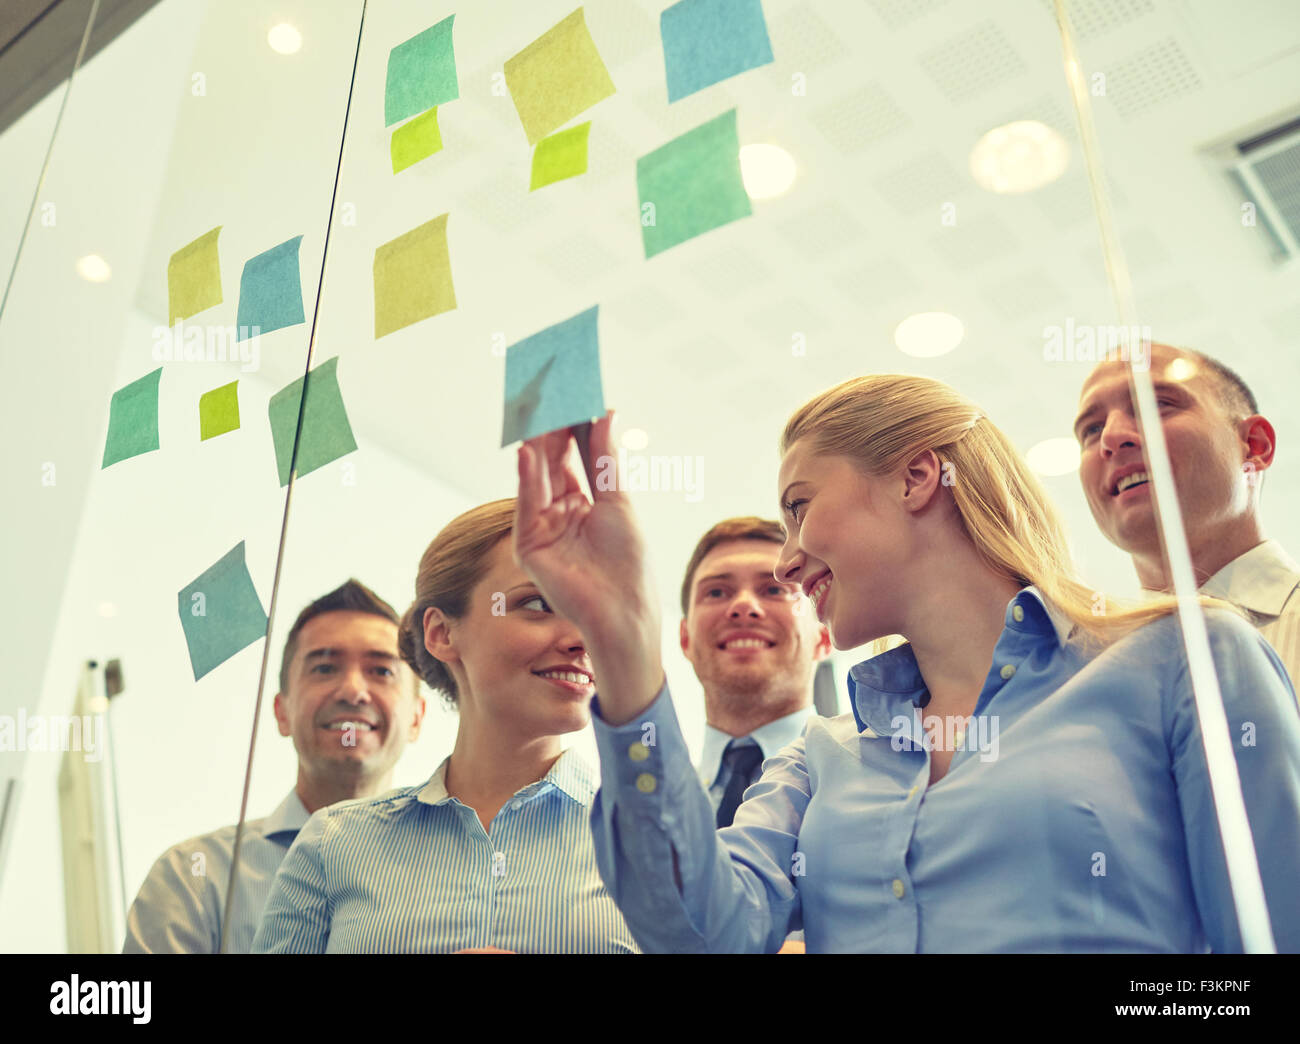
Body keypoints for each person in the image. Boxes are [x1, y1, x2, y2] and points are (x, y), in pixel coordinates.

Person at [512, 390, 1300, 953]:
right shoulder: (821, 756)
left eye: (799, 506)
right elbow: (698, 932)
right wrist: (619, 637)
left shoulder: (1188, 660)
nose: (788, 562)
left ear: (917, 478)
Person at [252, 499, 637, 953]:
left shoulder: (655, 842)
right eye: (538, 602)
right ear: (441, 633)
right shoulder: (332, 844)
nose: (580, 637)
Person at [123, 579, 425, 953]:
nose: (352, 690)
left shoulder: (456, 871)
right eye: (325, 668)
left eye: (381, 671)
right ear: (282, 712)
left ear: (416, 717)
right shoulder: (193, 878)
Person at [1076, 341, 1300, 692]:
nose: (1111, 436)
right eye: (1091, 429)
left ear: (1254, 446)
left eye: (1155, 405)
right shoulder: (1076, 676)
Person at [679, 517, 830, 829]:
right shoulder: (645, 816)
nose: (744, 605)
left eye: (774, 590)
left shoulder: (876, 787)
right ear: (685, 639)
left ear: (824, 635)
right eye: (717, 592)